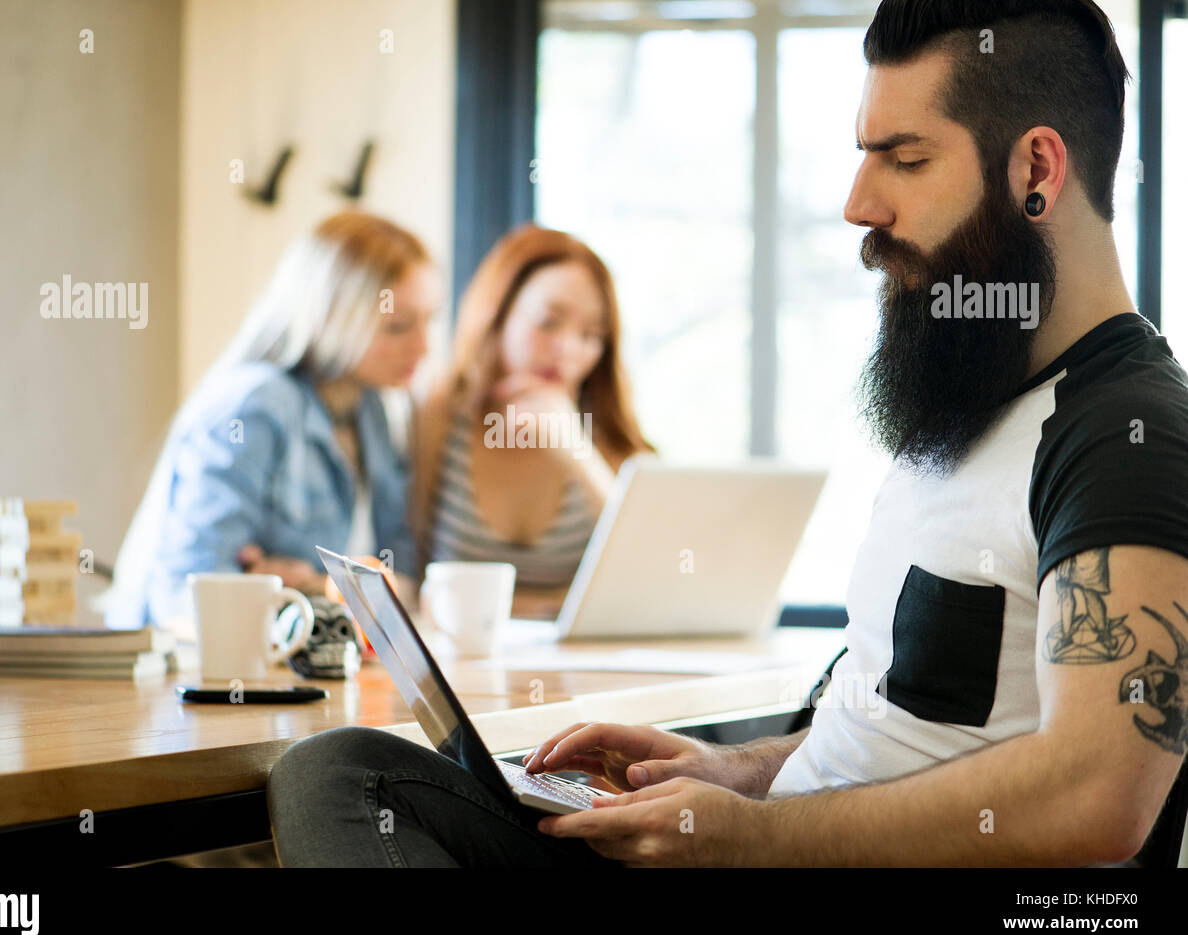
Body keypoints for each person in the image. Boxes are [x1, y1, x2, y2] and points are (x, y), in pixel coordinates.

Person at [267, 0, 1188, 866]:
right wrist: (730, 772)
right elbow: (883, 729)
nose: (857, 204)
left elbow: (1102, 789)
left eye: (904, 160)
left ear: (1036, 170)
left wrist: (759, 838)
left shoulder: (1127, 432)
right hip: (770, 841)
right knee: (344, 773)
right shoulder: (969, 399)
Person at [106, 210, 441, 633]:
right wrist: (325, 592)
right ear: (330, 316)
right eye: (397, 326)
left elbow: (397, 584)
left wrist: (312, 586)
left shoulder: (371, 408)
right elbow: (189, 595)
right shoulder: (258, 405)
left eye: (431, 319)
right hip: (196, 678)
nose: (424, 346)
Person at [409, 224, 653, 619]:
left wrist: (578, 452)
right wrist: (549, 607)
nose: (569, 349)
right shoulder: (438, 412)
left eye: (592, 335)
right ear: (499, 313)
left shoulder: (608, 434)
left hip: (585, 675)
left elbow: (654, 580)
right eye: (548, 321)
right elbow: (412, 582)